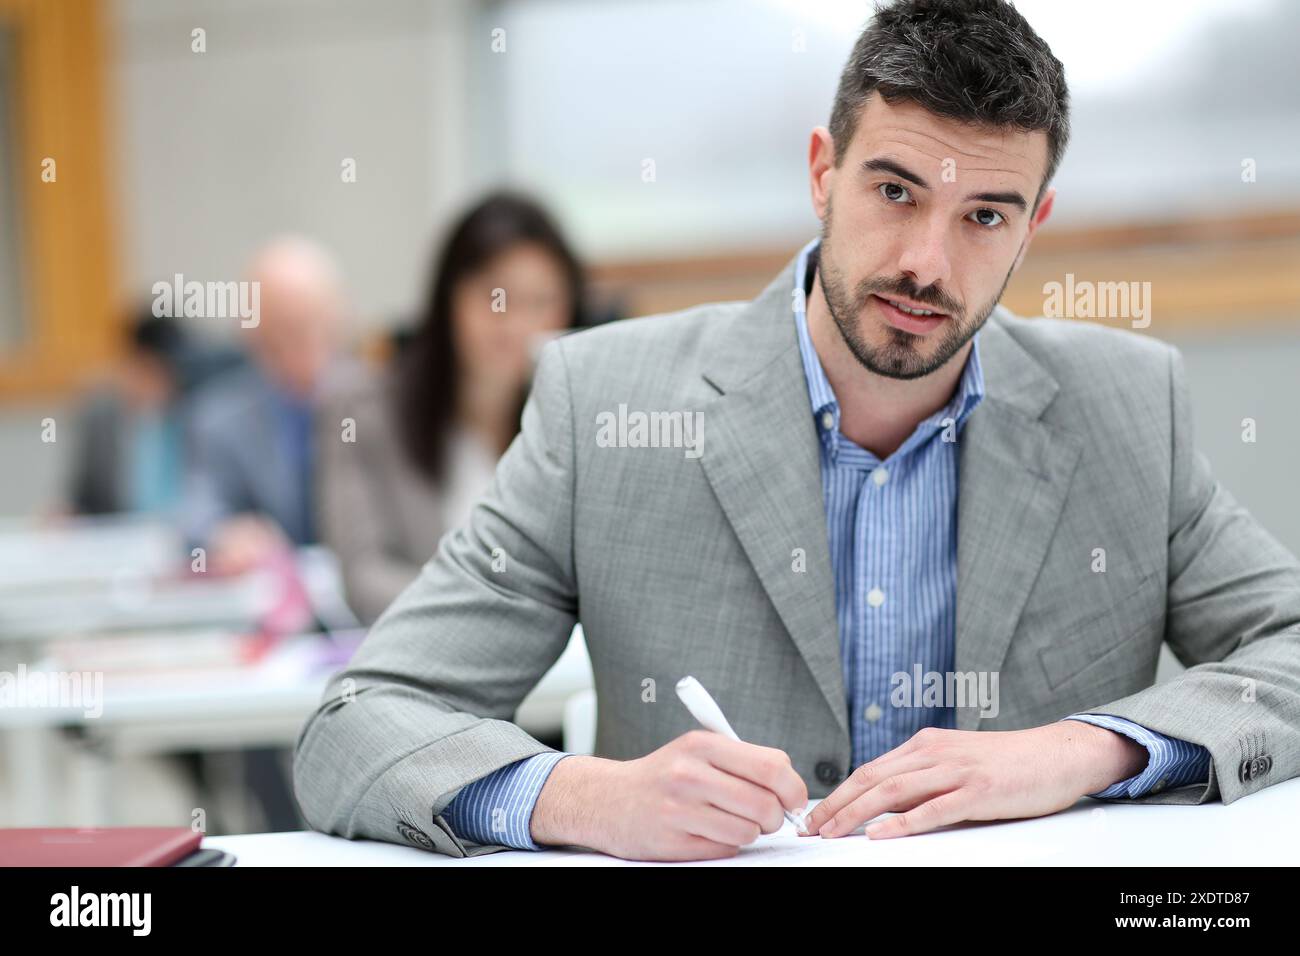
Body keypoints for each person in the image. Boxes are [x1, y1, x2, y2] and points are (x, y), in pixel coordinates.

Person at [293, 0, 1300, 861]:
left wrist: (1082, 748)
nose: (926, 264)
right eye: (895, 191)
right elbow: (356, 724)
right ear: (822, 172)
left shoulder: (1126, 406)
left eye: (983, 217)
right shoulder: (604, 405)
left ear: (1033, 225)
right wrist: (590, 799)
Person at [318, 193, 585, 624]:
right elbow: (365, 578)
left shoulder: (576, 419)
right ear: (449, 298)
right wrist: (491, 610)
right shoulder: (363, 408)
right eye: (498, 298)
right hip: (421, 660)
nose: (519, 324)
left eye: (542, 301)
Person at [182, 237, 347, 574]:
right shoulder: (219, 416)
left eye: (310, 324)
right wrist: (225, 535)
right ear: (251, 331)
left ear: (338, 320)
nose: (298, 345)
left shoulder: (382, 403)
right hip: (271, 599)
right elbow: (195, 512)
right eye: (280, 329)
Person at [67, 311, 191, 516]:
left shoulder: (198, 416)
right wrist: (67, 512)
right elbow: (81, 497)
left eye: (158, 371)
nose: (149, 382)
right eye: (142, 369)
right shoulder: (99, 418)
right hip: (119, 535)